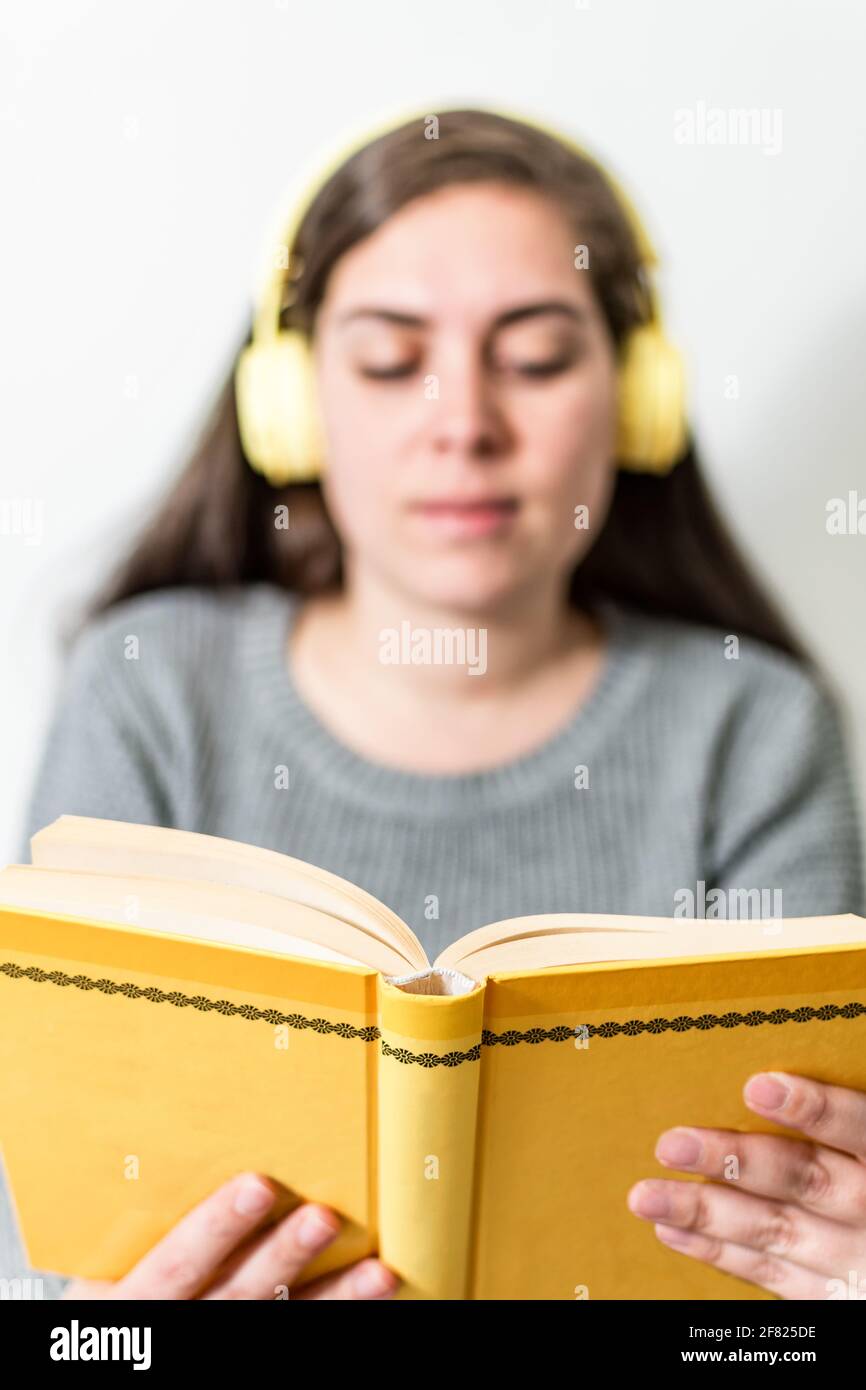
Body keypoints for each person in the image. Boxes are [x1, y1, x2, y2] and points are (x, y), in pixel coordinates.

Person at [3, 107, 864, 1301]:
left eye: (535, 356)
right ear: (290, 408)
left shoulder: (753, 722)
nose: (462, 424)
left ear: (636, 400)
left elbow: (783, 1274)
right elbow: (44, 1247)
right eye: (389, 357)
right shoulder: (149, 686)